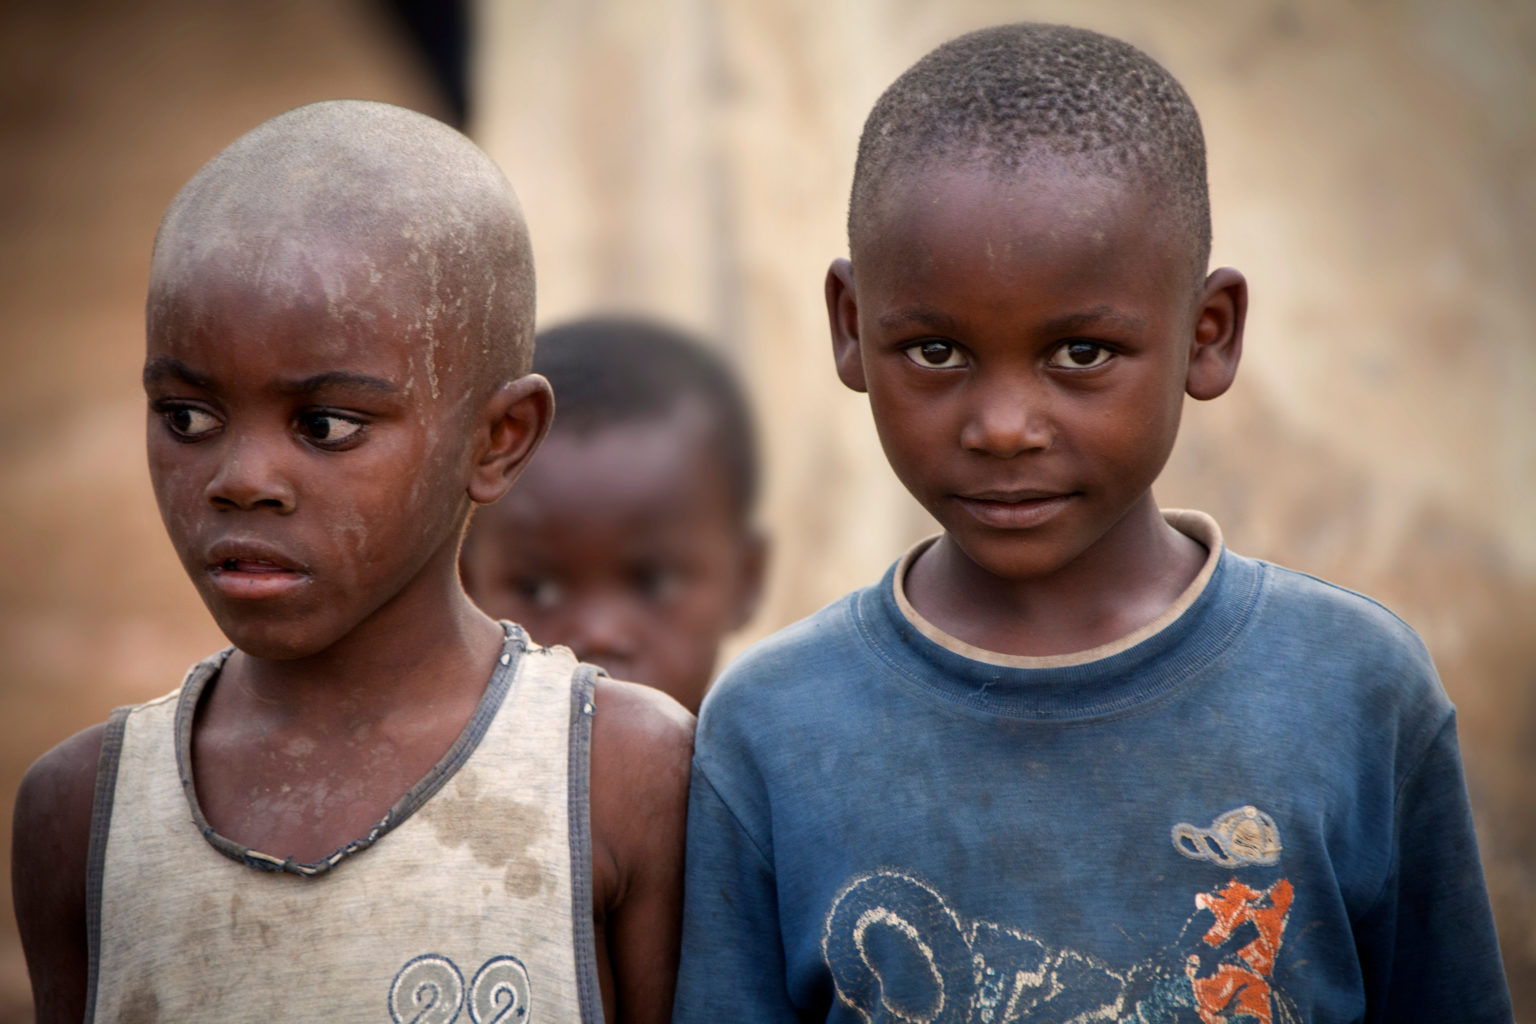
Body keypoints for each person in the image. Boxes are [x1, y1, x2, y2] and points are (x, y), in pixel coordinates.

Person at [672, 24, 1513, 1023]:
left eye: (1080, 352)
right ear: (852, 327)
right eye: (936, 351)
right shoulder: (773, 728)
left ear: (1209, 336)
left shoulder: (1355, 692)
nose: (1003, 427)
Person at [11, 100, 692, 1024]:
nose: (241, 480)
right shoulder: (85, 816)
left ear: (498, 439)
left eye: (325, 425)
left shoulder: (615, 776)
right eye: (186, 416)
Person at [461, 317, 767, 714]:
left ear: (745, 579)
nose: (599, 635)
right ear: (466, 587)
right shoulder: (434, 773)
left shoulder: (771, 771)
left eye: (652, 582)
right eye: (537, 589)